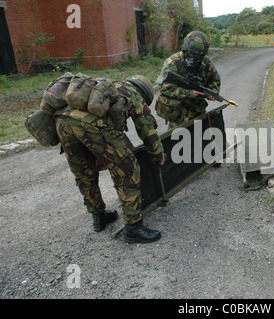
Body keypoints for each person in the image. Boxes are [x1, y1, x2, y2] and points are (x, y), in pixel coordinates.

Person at [54, 75, 166, 244]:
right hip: (93, 125)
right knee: (127, 170)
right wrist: (158, 156)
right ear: (144, 93)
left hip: (62, 121)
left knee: (84, 171)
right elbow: (147, 130)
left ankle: (98, 216)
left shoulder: (107, 85)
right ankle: (133, 228)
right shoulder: (134, 94)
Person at [155, 31, 221, 129]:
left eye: (200, 56)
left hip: (198, 111)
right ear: (185, 50)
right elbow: (164, 87)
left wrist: (211, 92)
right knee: (177, 142)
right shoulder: (172, 63)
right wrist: (188, 93)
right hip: (178, 114)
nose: (195, 60)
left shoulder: (206, 63)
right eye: (192, 56)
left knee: (201, 141)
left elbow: (215, 80)